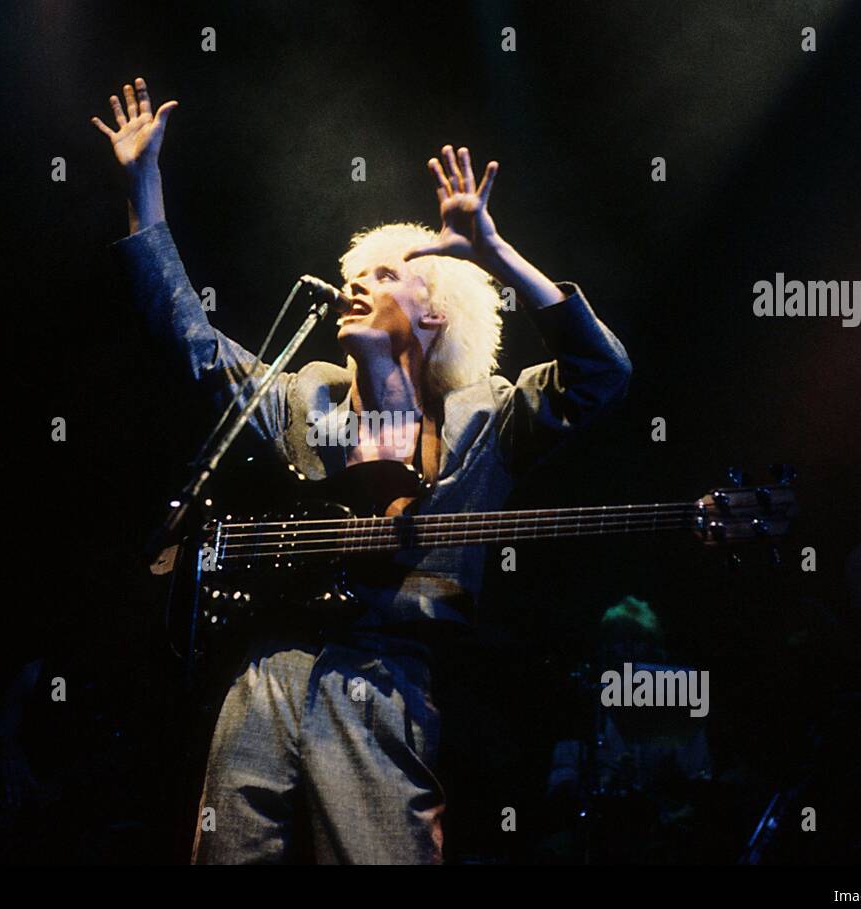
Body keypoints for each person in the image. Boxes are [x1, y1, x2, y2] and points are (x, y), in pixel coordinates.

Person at [93, 75, 632, 863]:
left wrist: (495, 252)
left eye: (384, 275)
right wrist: (144, 185)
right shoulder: (307, 392)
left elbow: (603, 375)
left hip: (384, 680)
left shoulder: (487, 414)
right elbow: (192, 343)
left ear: (436, 310)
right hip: (265, 673)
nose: (355, 282)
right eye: (354, 272)